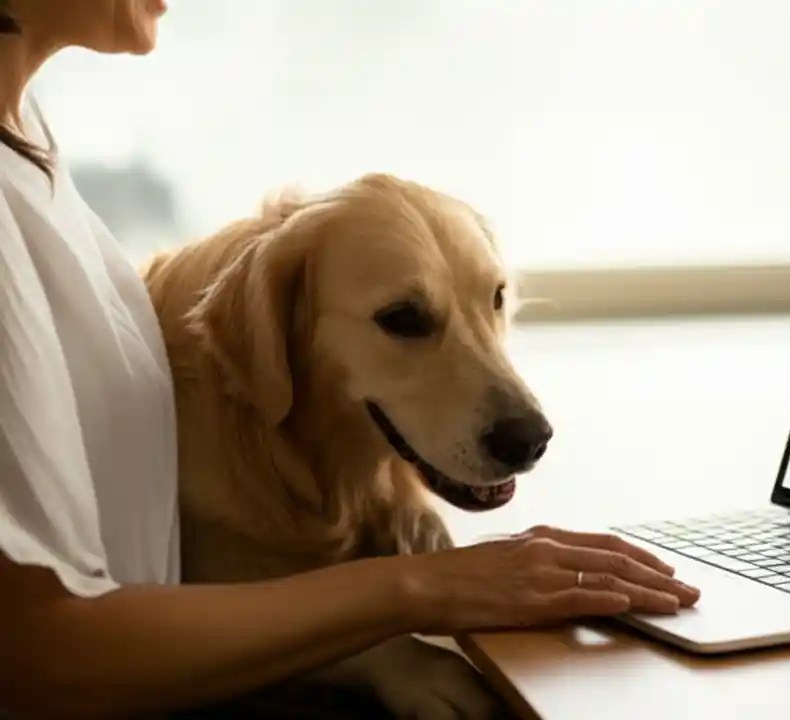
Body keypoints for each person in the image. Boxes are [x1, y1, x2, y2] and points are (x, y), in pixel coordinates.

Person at [0, 2, 700, 717]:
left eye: (493, 300)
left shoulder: (26, 139)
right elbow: (32, 655)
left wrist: (427, 542)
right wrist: (418, 594)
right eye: (405, 320)